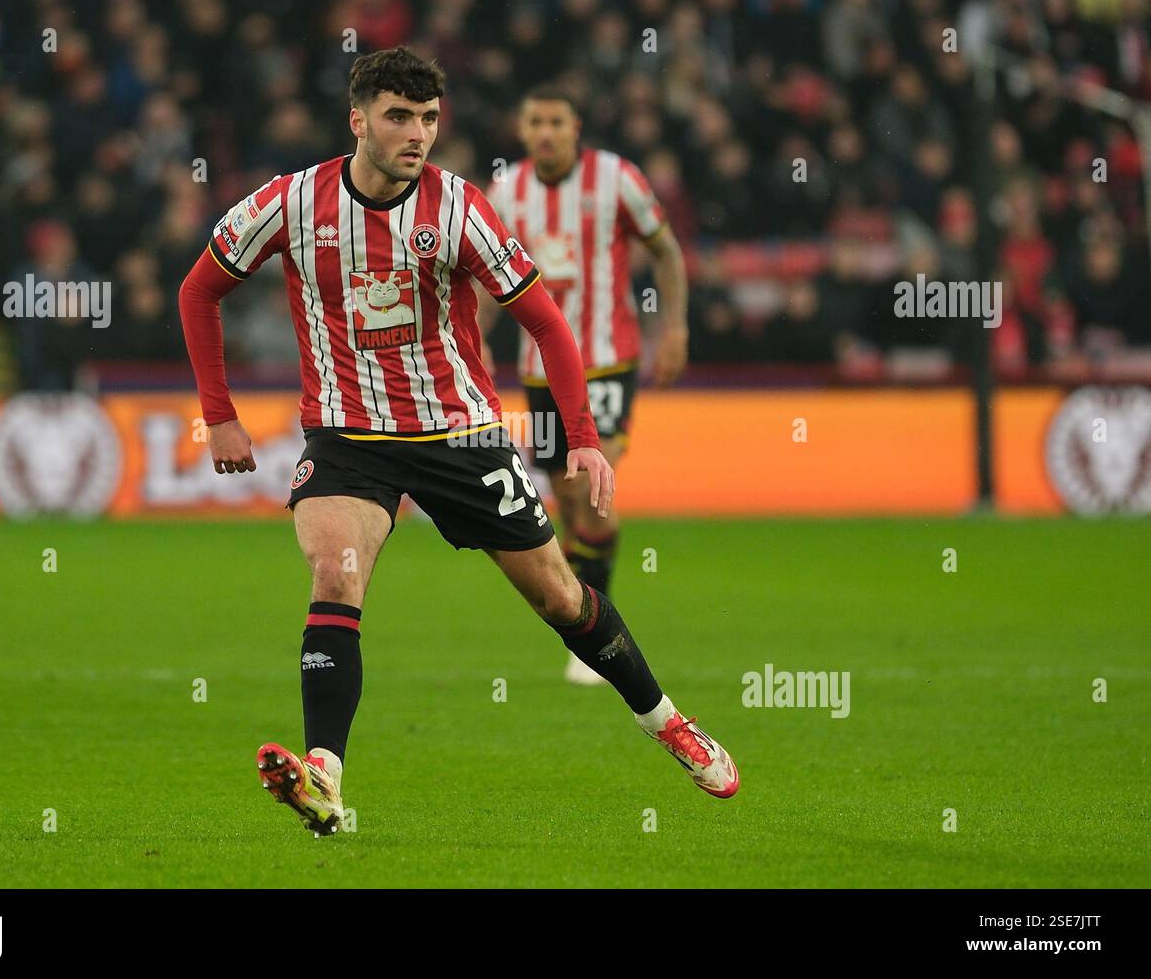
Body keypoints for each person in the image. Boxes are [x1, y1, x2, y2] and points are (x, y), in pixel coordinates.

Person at [178, 47, 737, 837]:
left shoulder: (460, 208)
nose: (417, 134)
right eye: (399, 117)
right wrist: (220, 412)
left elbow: (546, 320)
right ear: (359, 120)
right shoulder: (292, 202)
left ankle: (665, 720)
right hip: (348, 436)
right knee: (335, 576)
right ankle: (325, 777)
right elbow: (199, 288)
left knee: (559, 594)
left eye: (429, 119)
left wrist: (581, 436)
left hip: (461, 433)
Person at [481, 85, 689, 684]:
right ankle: (588, 619)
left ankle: (593, 647)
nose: (545, 132)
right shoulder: (506, 192)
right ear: (522, 131)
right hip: (538, 367)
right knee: (567, 504)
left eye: (556, 122)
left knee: (589, 485)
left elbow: (667, 251)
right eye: (535, 121)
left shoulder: (616, 178)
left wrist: (674, 328)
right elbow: (484, 280)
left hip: (604, 359)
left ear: (576, 129)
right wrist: (471, 346)